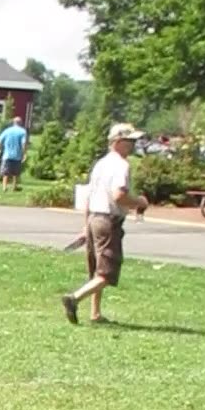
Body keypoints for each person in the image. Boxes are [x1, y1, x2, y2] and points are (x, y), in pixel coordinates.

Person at [61, 123, 147, 326]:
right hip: (109, 221)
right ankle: (74, 299)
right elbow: (119, 196)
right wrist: (139, 202)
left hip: (94, 218)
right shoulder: (121, 165)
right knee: (107, 272)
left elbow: (89, 196)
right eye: (129, 141)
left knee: (96, 270)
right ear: (117, 141)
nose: (133, 145)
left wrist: (86, 225)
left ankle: (95, 313)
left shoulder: (101, 164)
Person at [0, 112, 27, 189]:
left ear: (13, 122)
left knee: (5, 172)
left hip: (7, 154)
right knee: (15, 172)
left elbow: (0, 140)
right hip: (17, 155)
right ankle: (14, 186)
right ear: (20, 123)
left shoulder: (7, 130)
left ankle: (4, 187)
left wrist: (0, 149)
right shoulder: (22, 131)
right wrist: (24, 153)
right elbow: (23, 143)